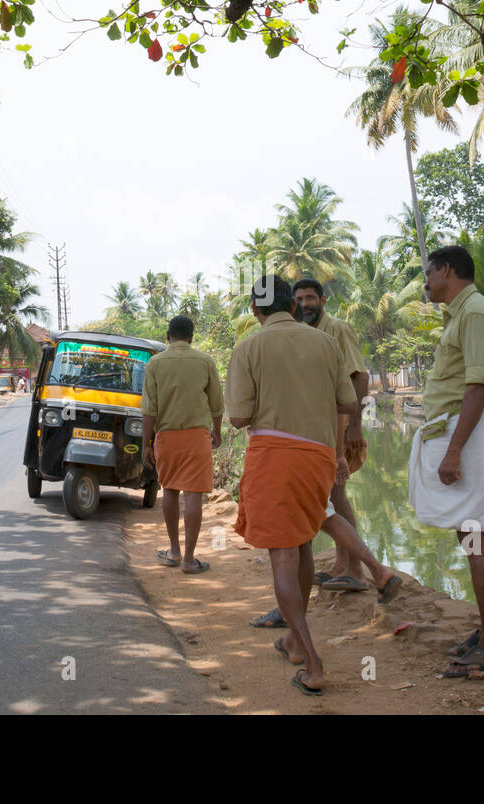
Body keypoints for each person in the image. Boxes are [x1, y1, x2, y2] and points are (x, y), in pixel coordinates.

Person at [227, 275, 356, 696]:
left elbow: (238, 417)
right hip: (318, 458)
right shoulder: (325, 343)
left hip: (275, 456)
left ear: (254, 310)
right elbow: (346, 401)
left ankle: (315, 663)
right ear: (293, 304)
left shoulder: (249, 346)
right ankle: (296, 644)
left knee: (282, 558)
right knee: (301, 547)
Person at [408, 245, 484, 676]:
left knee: (478, 536)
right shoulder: (461, 313)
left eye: (429, 273)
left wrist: (453, 451)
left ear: (447, 270)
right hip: (458, 433)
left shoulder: (475, 313)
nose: (426, 282)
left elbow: (478, 385)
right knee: (470, 537)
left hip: (466, 437)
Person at [293, 277, 373, 591]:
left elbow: (360, 377)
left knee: (336, 495)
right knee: (329, 495)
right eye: (298, 298)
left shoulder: (337, 328)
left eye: (310, 298)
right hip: (319, 428)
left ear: (323, 301)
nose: (304, 304)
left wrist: (355, 426)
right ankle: (342, 563)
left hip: (338, 429)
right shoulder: (305, 335)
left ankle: (356, 568)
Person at [142, 315, 224, 575]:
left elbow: (149, 408)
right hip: (198, 437)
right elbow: (216, 404)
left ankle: (174, 551)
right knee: (193, 495)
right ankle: (189, 559)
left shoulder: (155, 363)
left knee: (170, 491)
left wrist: (146, 443)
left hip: (167, 437)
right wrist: (217, 431)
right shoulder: (205, 360)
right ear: (191, 337)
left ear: (168, 336)